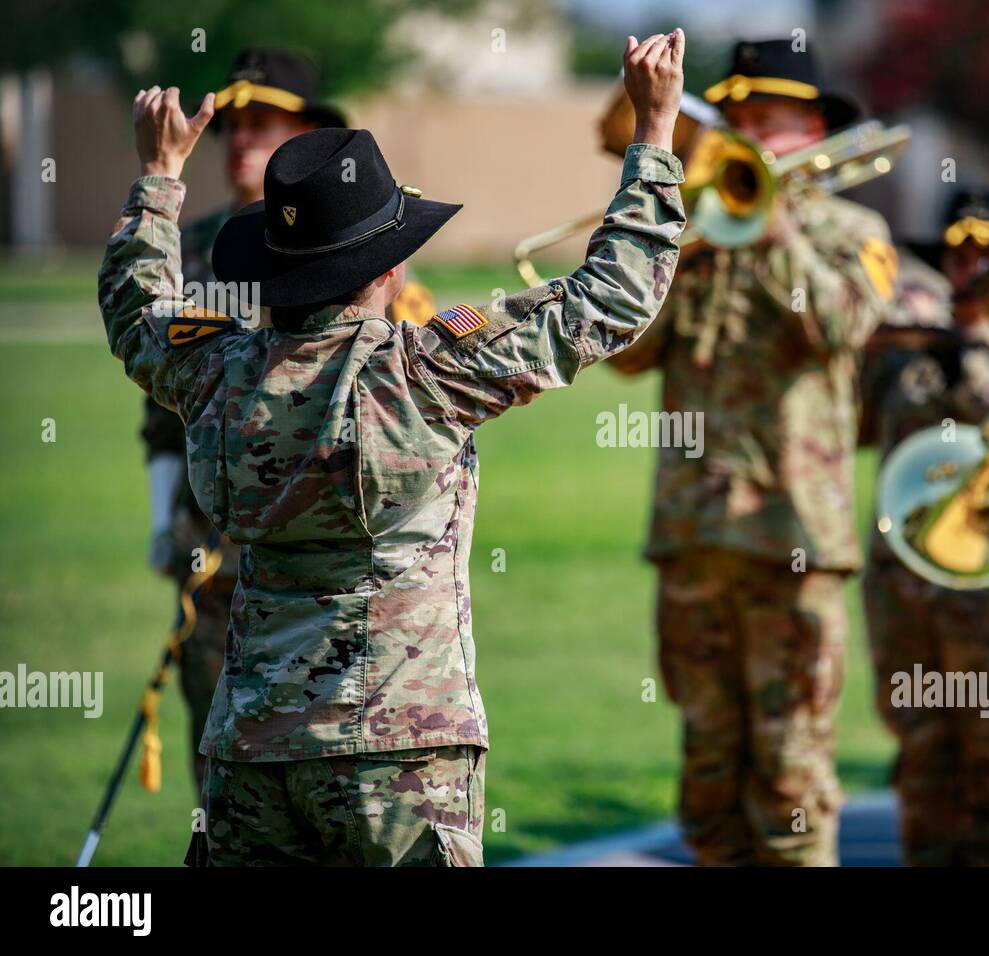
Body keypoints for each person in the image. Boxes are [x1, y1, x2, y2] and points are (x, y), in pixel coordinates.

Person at [99, 29, 687, 866]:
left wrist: (158, 179)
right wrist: (654, 131)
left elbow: (134, 310)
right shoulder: (426, 371)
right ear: (384, 271)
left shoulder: (213, 371)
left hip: (251, 753)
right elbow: (612, 297)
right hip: (400, 753)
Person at [609, 38, 895, 866]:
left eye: (765, 123)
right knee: (706, 771)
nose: (745, 139)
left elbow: (842, 325)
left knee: (790, 775)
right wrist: (669, 238)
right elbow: (623, 353)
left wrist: (770, 233)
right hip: (693, 534)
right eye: (735, 123)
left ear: (813, 130)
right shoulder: (690, 228)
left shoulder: (854, 230)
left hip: (793, 541)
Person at [139, 49, 346, 797]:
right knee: (218, 776)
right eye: (232, 126)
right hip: (212, 565)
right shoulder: (191, 249)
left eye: (263, 124)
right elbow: (161, 410)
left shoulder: (363, 253)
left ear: (307, 135)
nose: (240, 142)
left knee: (320, 779)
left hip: (321, 572)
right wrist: (165, 520)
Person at [860, 189, 989, 866]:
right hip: (904, 578)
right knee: (922, 750)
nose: (973, 266)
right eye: (961, 252)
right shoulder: (904, 340)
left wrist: (973, 347)